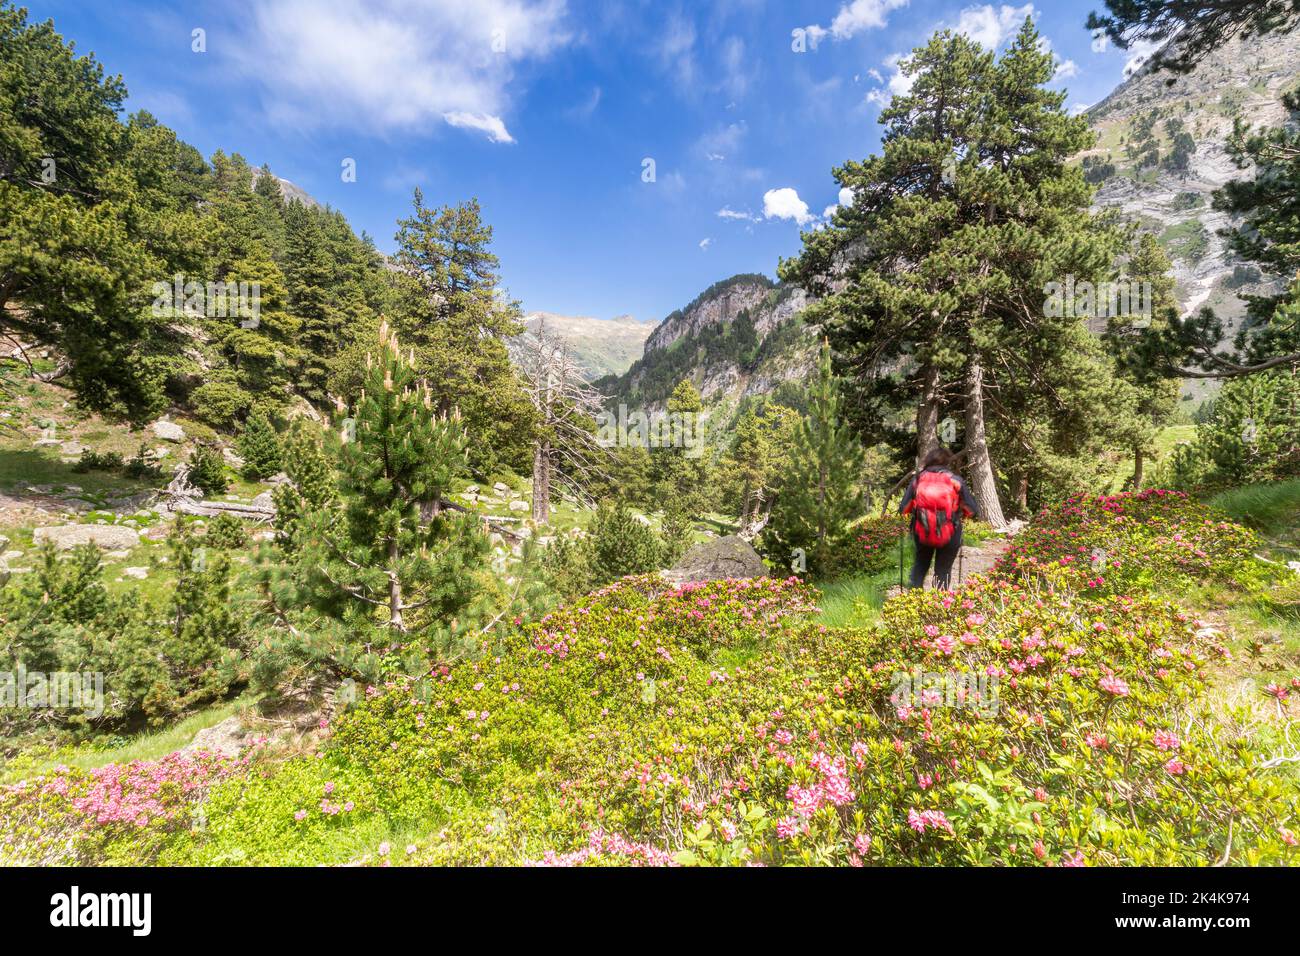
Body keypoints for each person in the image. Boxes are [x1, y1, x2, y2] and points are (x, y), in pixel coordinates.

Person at [898, 448, 979, 590]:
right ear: (947, 461)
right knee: (943, 570)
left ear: (928, 460)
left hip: (922, 530)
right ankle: (939, 605)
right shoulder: (955, 480)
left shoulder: (917, 480)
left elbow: (903, 508)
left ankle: (913, 603)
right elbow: (972, 510)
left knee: (920, 565)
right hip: (950, 531)